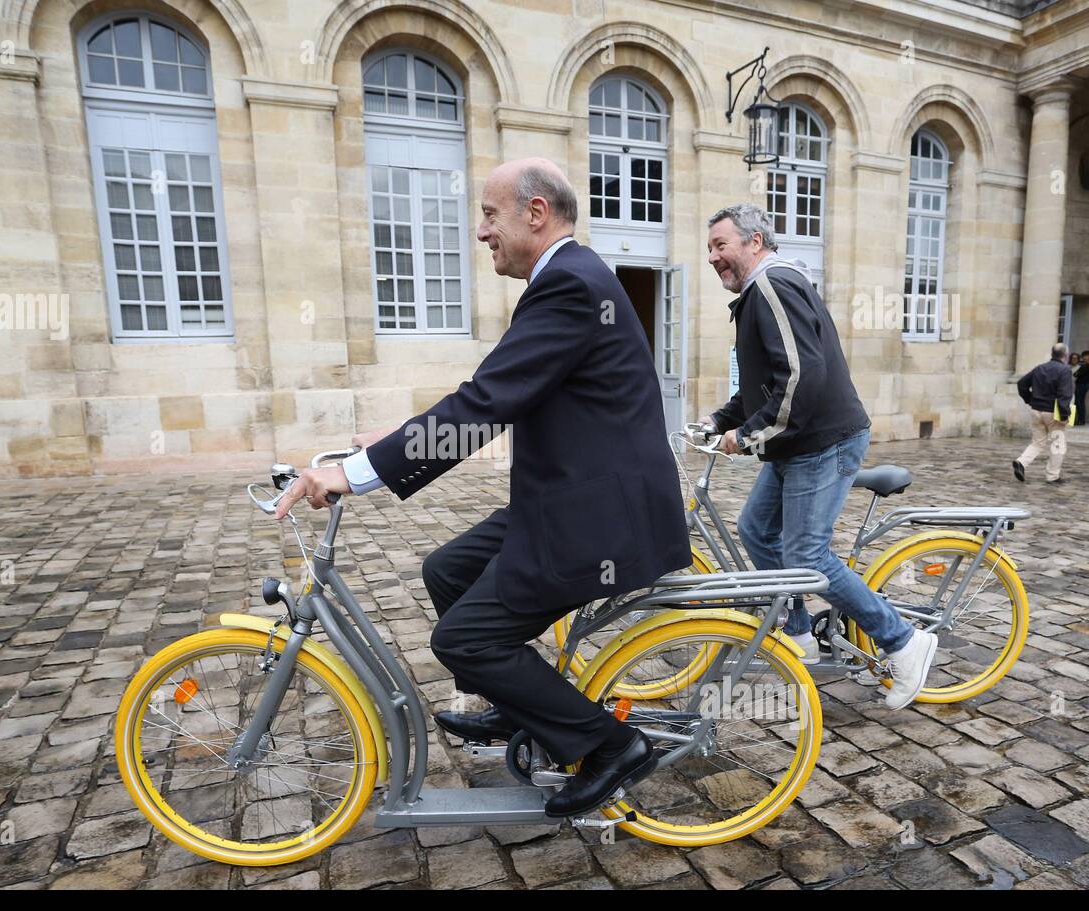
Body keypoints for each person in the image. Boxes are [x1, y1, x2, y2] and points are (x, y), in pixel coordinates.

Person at [274, 158, 692, 818]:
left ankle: (611, 747)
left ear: (536, 213)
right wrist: (385, 444)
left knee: (464, 639)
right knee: (447, 570)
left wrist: (354, 476)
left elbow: (485, 403)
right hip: (575, 498)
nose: (479, 231)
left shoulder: (570, 287)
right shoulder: (568, 279)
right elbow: (496, 394)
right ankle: (515, 706)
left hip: (601, 519)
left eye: (490, 214)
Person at [699, 203, 937, 710]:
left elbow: (800, 380)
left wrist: (747, 437)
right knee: (757, 530)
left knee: (807, 555)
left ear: (755, 242)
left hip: (823, 441)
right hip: (798, 443)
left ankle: (903, 641)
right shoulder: (757, 296)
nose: (714, 257)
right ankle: (801, 631)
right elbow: (762, 386)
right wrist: (719, 422)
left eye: (721, 245)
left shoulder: (771, 286)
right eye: (710, 249)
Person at [1014, 343, 1075, 485]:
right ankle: (1052, 476)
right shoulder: (1065, 370)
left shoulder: (1040, 368)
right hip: (1053, 413)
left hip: (1036, 411)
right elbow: (1064, 395)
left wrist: (1030, 400)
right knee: (1058, 444)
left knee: (1037, 443)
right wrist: (1065, 416)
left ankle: (1021, 462)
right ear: (1065, 356)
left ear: (1052, 354)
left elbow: (1021, 384)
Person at [1073, 351, 1089, 426]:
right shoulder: (1084, 365)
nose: (1084, 357)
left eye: (1086, 356)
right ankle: (1079, 420)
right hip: (1081, 385)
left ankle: (1081, 420)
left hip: (1083, 385)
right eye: (1083, 356)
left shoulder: (1088, 365)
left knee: (1079, 403)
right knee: (1078, 402)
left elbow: (1077, 374)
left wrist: (1077, 372)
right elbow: (1075, 374)